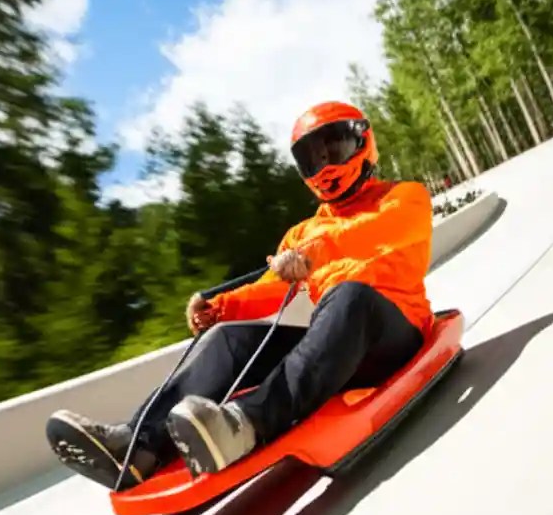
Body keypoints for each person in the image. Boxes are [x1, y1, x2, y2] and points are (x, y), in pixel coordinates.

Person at [46, 100, 435, 490]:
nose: (325, 168)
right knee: (229, 338)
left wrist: (317, 253)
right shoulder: (301, 234)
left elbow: (384, 231)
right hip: (334, 349)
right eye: (311, 160)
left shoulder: (403, 197)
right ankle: (135, 446)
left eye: (332, 150)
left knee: (352, 296)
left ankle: (245, 423)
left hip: (394, 334)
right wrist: (220, 307)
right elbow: (270, 288)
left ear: (361, 142)